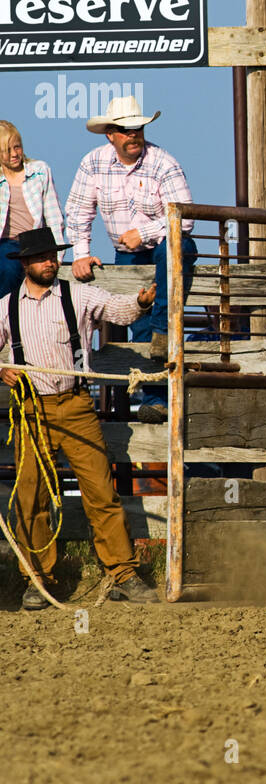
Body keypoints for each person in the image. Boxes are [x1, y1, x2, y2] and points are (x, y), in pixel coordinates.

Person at [0, 228, 159, 609]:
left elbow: (116, 308)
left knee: (101, 491)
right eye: (42, 257)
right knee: (30, 495)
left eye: (53, 255)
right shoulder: (5, 307)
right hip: (31, 408)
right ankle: (37, 579)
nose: (50, 262)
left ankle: (123, 572)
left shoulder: (77, 293)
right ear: (25, 264)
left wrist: (139, 302)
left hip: (75, 405)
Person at [64, 96, 197, 423]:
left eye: (137, 128)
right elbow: (78, 212)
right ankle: (155, 399)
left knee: (179, 247)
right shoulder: (92, 163)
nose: (133, 134)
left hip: (161, 247)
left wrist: (144, 232)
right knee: (138, 327)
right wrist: (80, 254)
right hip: (126, 255)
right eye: (125, 130)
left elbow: (186, 218)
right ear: (110, 134)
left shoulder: (163, 162)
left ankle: (162, 326)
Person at [0, 121, 65, 299]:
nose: (14, 154)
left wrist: (57, 254)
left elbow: (54, 215)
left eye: (17, 147)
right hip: (6, 242)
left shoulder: (40, 171)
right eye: (7, 150)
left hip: (35, 241)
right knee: (8, 268)